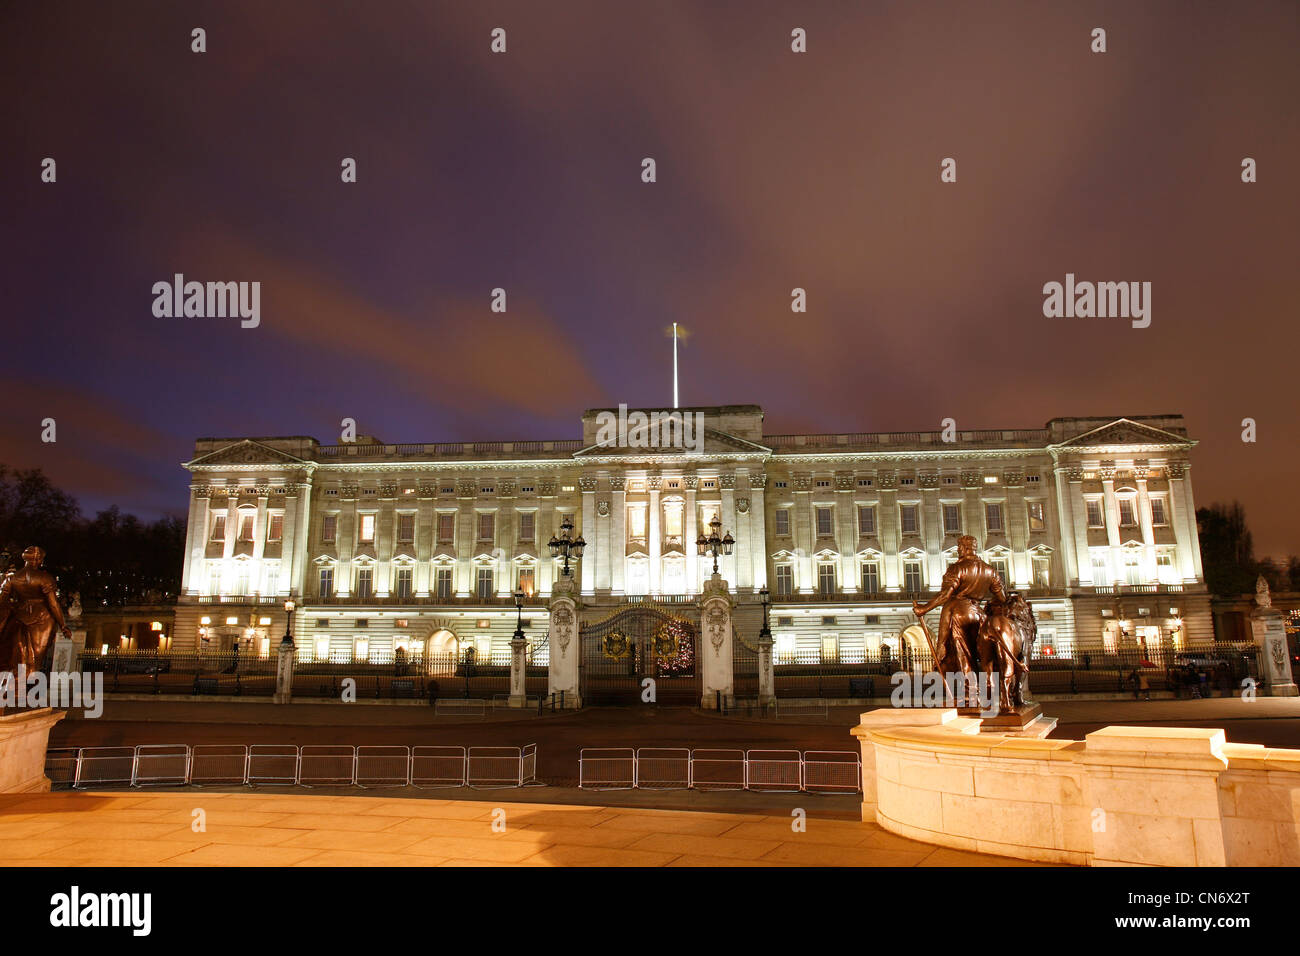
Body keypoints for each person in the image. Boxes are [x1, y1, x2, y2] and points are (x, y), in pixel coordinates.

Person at [912, 535, 1007, 702]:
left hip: (958, 612)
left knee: (964, 654)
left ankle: (971, 693)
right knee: (984, 655)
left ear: (965, 548)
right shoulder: (989, 570)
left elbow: (944, 595)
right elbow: (1002, 598)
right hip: (979, 614)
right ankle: (992, 692)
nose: (958, 550)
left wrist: (923, 609)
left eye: (959, 547)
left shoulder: (957, 568)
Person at [0, 545, 72, 677]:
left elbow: (2, 601)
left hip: (19, 616)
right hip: (42, 618)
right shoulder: (44, 578)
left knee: (19, 653)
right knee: (36, 655)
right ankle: (24, 681)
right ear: (39, 560)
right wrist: (63, 625)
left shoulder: (11, 578)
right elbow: (53, 604)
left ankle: (17, 682)